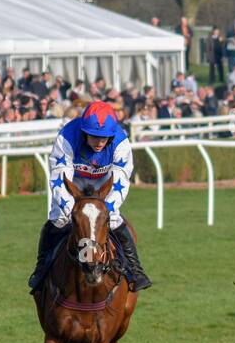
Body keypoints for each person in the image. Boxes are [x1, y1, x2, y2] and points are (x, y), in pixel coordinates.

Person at [29, 101, 152, 293]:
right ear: (85, 132)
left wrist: (105, 209)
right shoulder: (67, 137)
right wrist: (74, 210)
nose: (100, 143)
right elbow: (59, 179)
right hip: (73, 183)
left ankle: (135, 270)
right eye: (94, 137)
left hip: (103, 183)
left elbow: (121, 179)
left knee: (114, 217)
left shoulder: (121, 141)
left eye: (104, 138)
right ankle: (41, 270)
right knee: (59, 218)